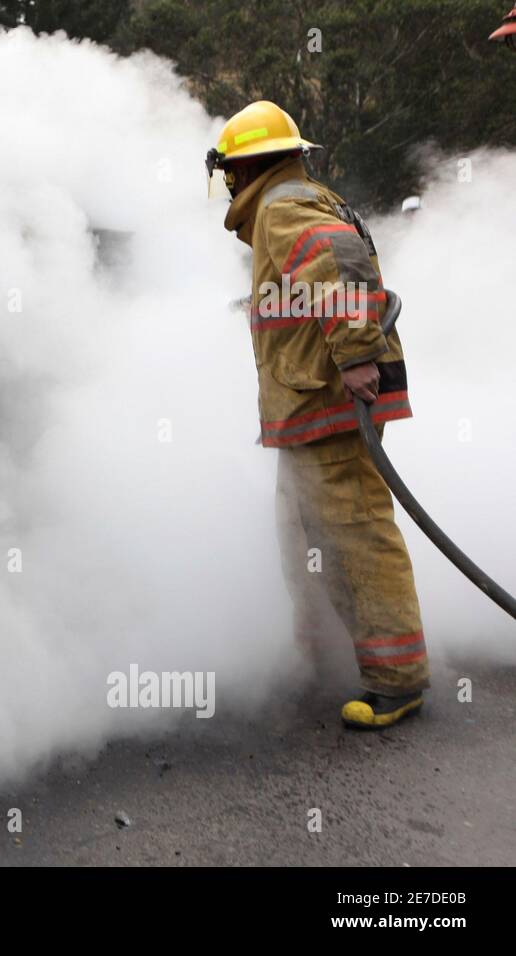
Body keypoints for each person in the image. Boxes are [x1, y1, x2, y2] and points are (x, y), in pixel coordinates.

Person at [205, 100, 430, 729]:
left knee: (354, 534)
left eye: (229, 173)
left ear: (244, 171)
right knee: (304, 537)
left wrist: (358, 354)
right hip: (311, 406)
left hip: (331, 400)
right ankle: (323, 652)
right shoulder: (300, 200)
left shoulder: (281, 205)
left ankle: (397, 681)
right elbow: (311, 280)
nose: (228, 185)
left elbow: (337, 267)